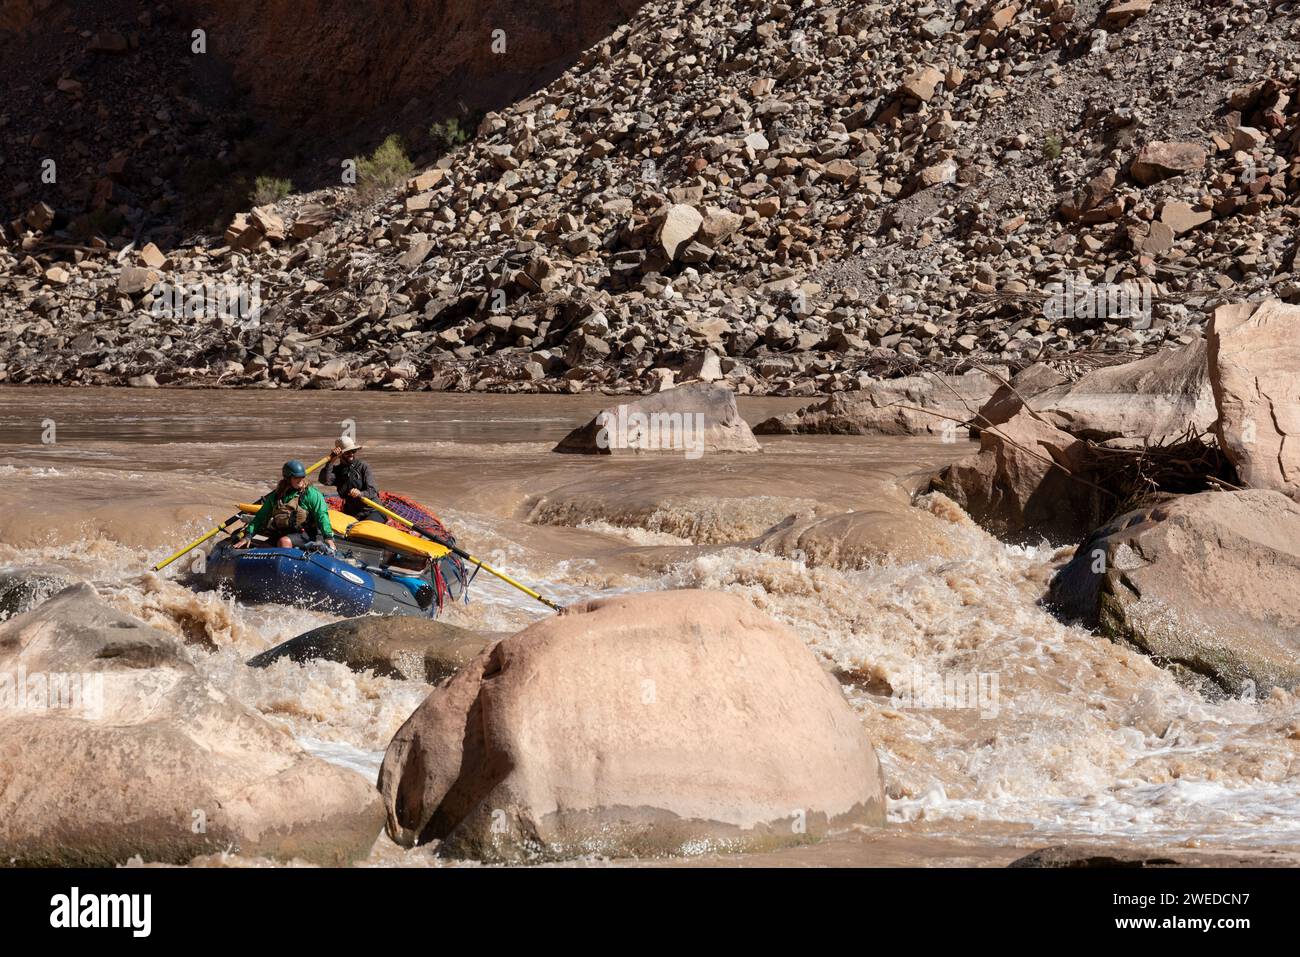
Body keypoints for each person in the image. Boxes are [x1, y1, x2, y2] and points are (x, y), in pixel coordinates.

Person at [235, 460, 336, 551]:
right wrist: (248, 536)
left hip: (307, 534)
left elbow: (322, 515)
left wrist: (328, 537)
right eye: (296, 477)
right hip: (283, 533)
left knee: (284, 542)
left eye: (302, 476)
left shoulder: (311, 494)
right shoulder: (276, 496)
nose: (300, 480)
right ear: (288, 478)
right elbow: (261, 517)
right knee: (262, 549)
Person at [321, 436, 382, 522]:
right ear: (340, 455)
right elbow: (325, 480)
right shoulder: (337, 470)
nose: (351, 454)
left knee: (365, 529)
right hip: (353, 513)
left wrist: (360, 493)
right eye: (347, 452)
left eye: (353, 451)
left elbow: (373, 490)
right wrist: (330, 461)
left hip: (373, 510)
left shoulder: (363, 466)